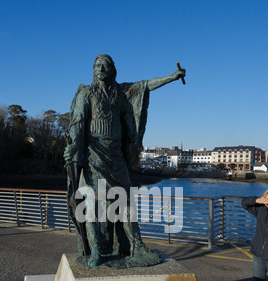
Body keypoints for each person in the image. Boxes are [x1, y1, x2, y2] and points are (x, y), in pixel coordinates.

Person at [64, 55, 186, 267]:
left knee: (126, 199)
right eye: (97, 65)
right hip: (93, 153)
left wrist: (172, 77)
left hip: (116, 155)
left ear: (112, 70)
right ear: (93, 69)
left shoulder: (120, 92)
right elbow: (77, 122)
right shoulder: (86, 92)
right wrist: (74, 147)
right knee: (92, 202)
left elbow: (146, 85)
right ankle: (95, 251)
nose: (101, 68)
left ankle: (136, 245)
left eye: (105, 65)